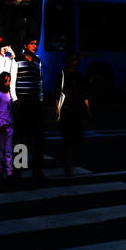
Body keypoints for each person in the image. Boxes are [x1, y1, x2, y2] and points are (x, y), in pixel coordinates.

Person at [13, 36, 45, 185]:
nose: (34, 46)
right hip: (21, 103)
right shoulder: (17, 59)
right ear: (25, 45)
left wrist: (40, 99)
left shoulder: (38, 61)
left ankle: (37, 172)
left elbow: (39, 81)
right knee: (20, 138)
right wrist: (15, 99)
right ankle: (18, 171)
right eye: (32, 44)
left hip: (35, 104)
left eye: (36, 44)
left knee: (37, 139)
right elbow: (13, 81)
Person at [56, 50, 91, 179]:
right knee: (68, 140)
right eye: (71, 60)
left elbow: (84, 93)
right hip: (66, 109)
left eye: (75, 60)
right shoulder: (62, 74)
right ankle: (68, 167)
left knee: (74, 140)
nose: (73, 62)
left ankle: (68, 165)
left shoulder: (79, 75)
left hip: (76, 110)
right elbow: (58, 92)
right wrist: (57, 109)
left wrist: (87, 108)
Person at [0, 70, 15, 183]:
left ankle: (9, 172)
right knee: (0, 150)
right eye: (5, 81)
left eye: (9, 81)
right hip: (1, 127)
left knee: (8, 151)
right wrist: (0, 124)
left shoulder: (11, 95)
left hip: (10, 127)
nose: (8, 83)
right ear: (1, 82)